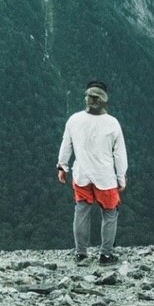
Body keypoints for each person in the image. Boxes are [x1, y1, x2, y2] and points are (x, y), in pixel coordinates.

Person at [57, 80, 128, 265]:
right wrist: (121, 177)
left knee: (81, 211)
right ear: (105, 100)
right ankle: (105, 255)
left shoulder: (74, 120)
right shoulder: (112, 123)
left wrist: (62, 166)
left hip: (81, 174)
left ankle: (81, 253)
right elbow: (119, 154)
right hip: (105, 177)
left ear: (86, 98)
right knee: (110, 213)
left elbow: (66, 145)